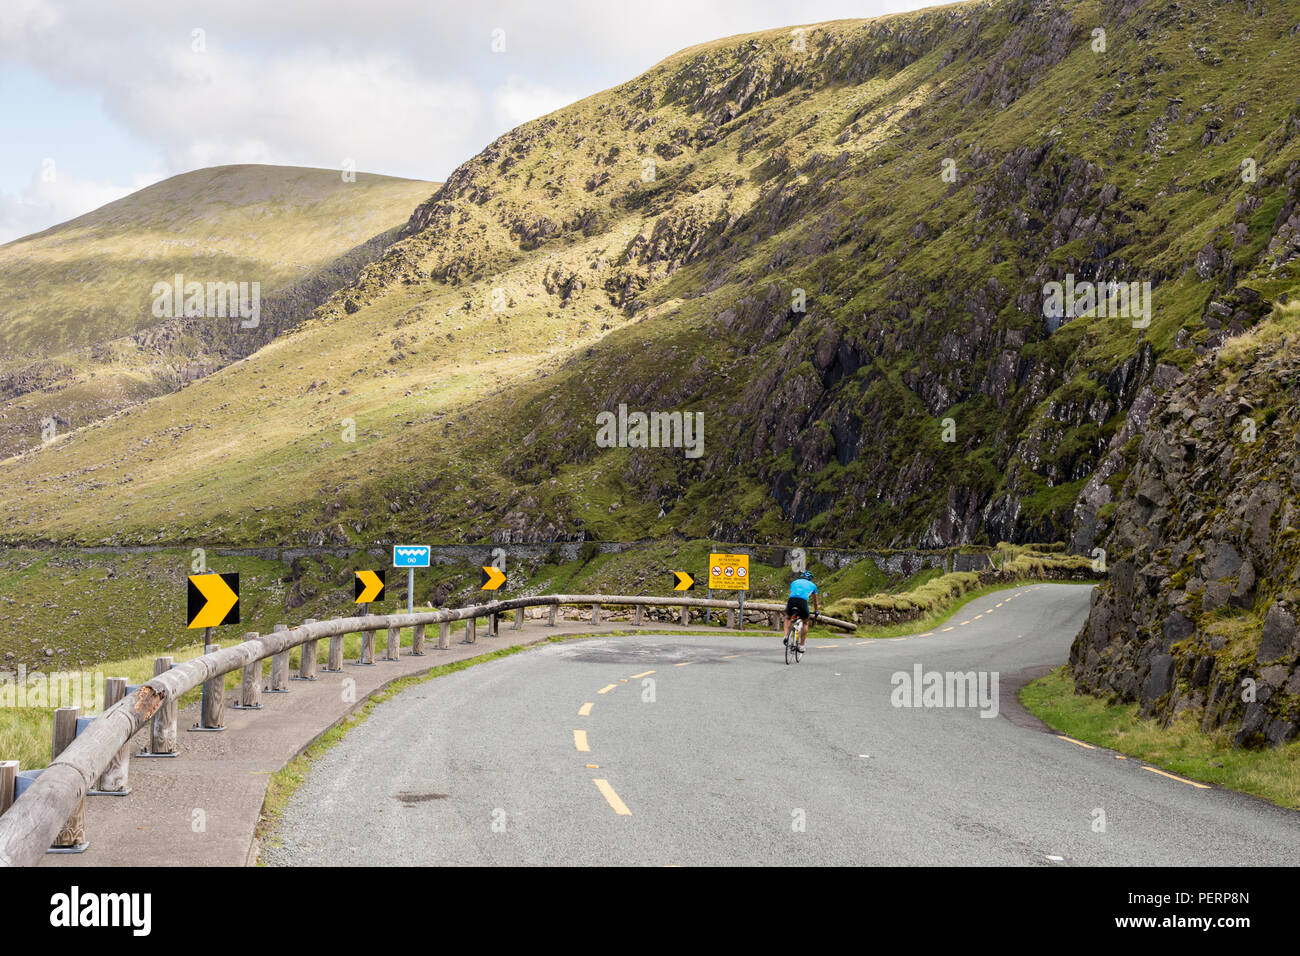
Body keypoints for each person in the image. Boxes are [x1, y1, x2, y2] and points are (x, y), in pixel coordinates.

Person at [784, 570, 819, 650]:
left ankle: (786, 636)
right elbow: (815, 602)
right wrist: (816, 611)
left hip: (791, 600)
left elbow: (791, 593)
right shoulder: (813, 586)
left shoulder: (794, 582)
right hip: (802, 602)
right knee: (805, 622)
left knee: (788, 618)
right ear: (810, 579)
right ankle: (802, 645)